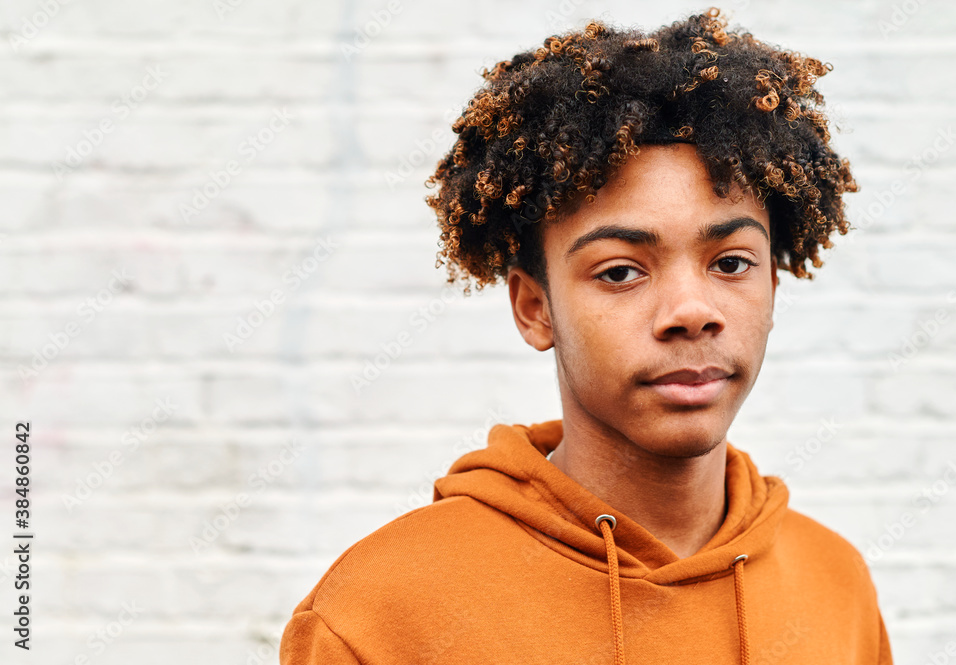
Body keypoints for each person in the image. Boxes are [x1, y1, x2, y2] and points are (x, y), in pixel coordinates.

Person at [280, 8, 893, 664]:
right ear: (534, 307)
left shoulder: (835, 583)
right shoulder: (378, 612)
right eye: (622, 271)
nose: (691, 310)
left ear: (773, 285)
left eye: (731, 263)